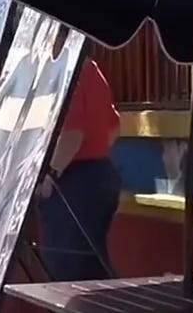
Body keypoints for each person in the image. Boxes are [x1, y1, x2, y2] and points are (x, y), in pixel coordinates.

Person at [35, 54, 121, 280]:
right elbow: (113, 127)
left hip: (71, 180)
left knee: (67, 276)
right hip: (100, 173)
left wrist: (50, 175)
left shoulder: (63, 68)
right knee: (92, 269)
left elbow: (72, 135)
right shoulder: (90, 67)